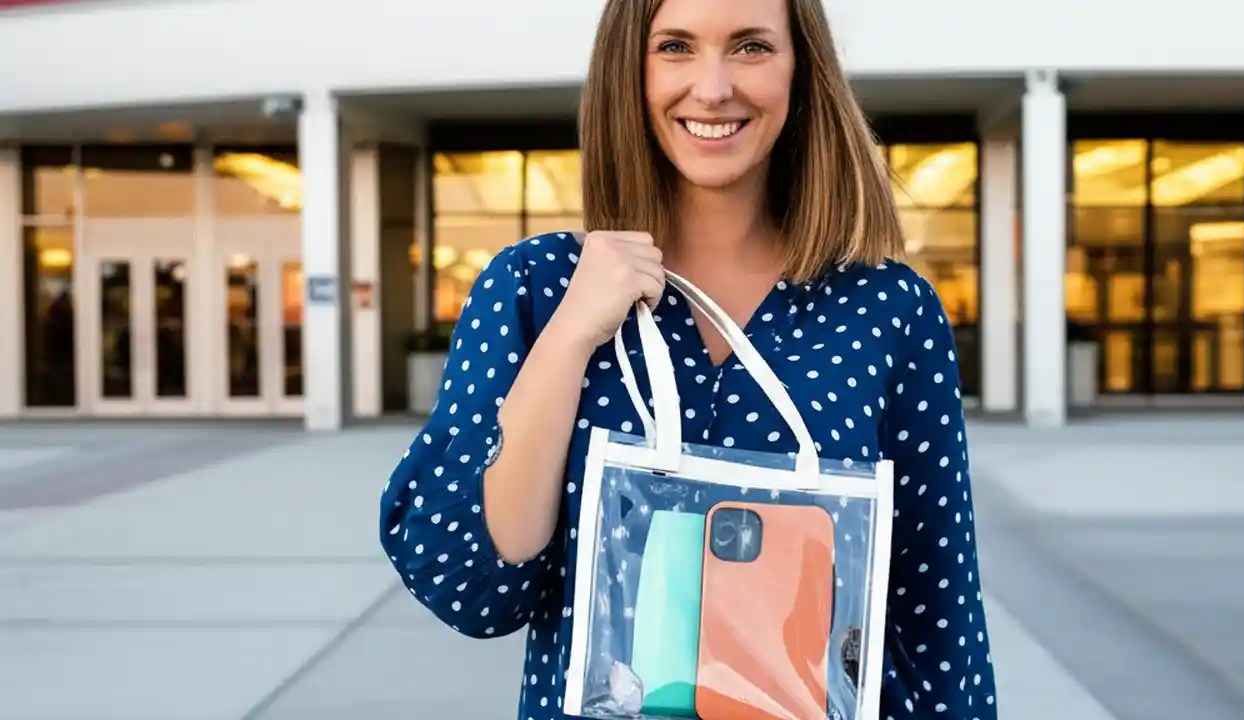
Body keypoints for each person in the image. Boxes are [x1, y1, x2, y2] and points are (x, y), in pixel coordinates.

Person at [378, 0, 999, 717]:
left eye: (751, 47)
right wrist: (571, 334)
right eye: (674, 46)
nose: (712, 88)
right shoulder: (537, 288)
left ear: (802, 69)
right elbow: (475, 583)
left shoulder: (888, 310)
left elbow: (935, 614)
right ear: (629, 70)